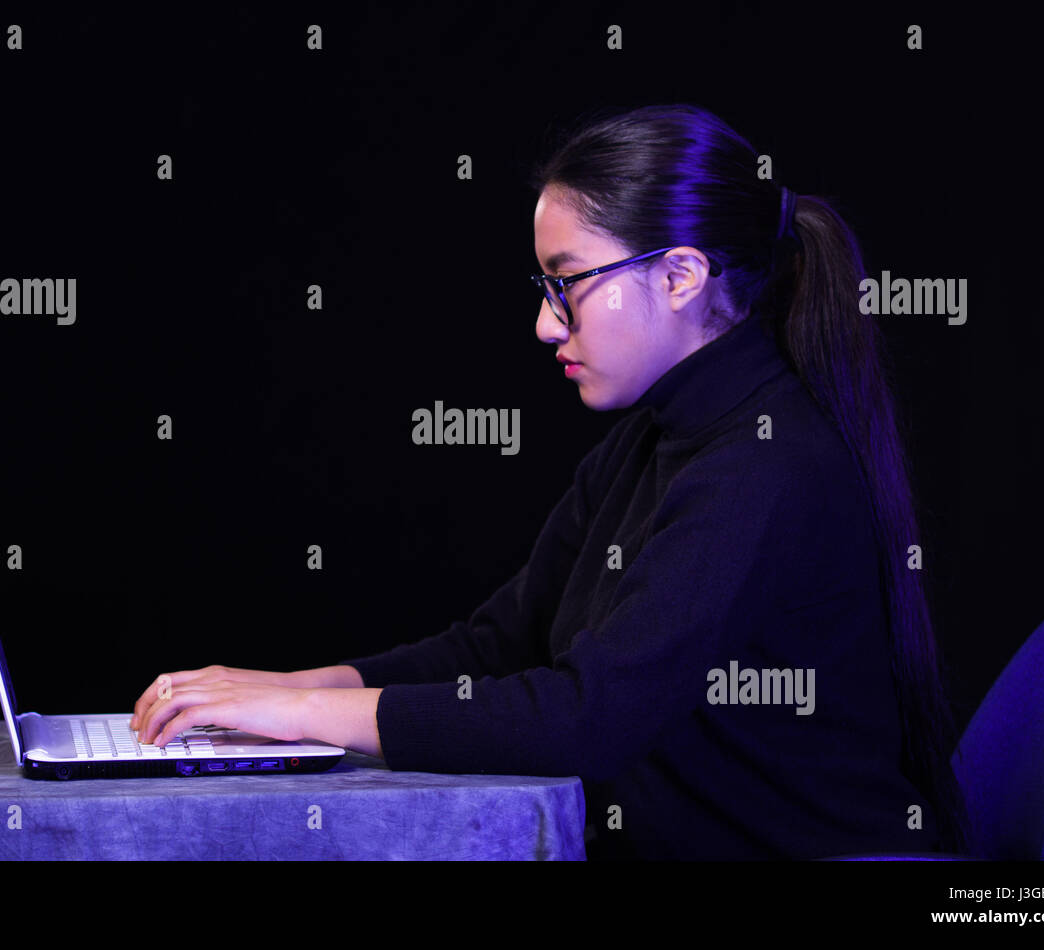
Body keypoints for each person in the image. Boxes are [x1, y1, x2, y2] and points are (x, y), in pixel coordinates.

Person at [130, 103, 970, 860]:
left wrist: (303, 722)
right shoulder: (653, 435)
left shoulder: (767, 463)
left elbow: (587, 719)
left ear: (680, 276)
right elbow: (496, 646)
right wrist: (279, 692)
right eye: (545, 287)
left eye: (567, 284)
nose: (544, 323)